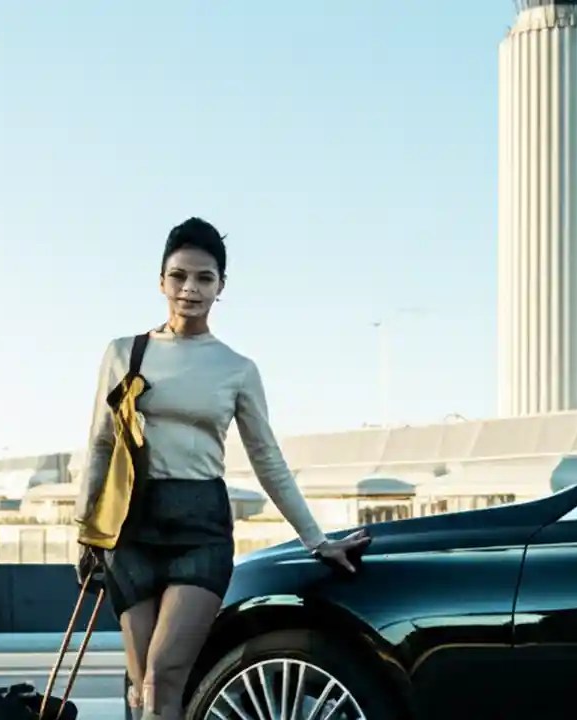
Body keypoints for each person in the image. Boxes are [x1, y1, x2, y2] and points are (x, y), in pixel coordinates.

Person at [73, 217, 371, 720]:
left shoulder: (237, 369)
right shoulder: (124, 352)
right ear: (161, 281)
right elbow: (101, 443)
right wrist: (85, 532)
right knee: (141, 687)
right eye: (179, 276)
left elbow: (268, 459)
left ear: (220, 287)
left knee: (163, 675)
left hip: (201, 528)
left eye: (204, 278)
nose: (189, 288)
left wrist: (316, 540)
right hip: (131, 527)